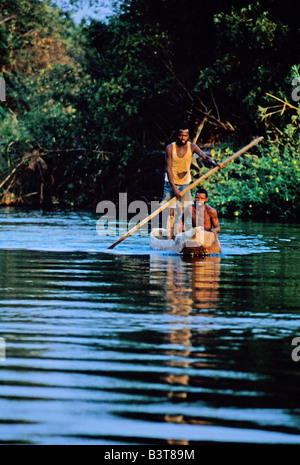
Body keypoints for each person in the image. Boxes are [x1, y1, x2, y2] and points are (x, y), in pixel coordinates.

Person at [162, 125, 220, 237]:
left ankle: (184, 234)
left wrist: (214, 163)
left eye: (185, 135)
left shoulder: (192, 147)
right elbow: (168, 169)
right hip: (170, 183)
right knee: (169, 211)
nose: (183, 138)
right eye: (181, 135)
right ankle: (169, 237)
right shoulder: (170, 148)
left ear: (188, 136)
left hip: (185, 183)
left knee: (187, 209)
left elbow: (204, 157)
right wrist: (174, 189)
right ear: (177, 135)